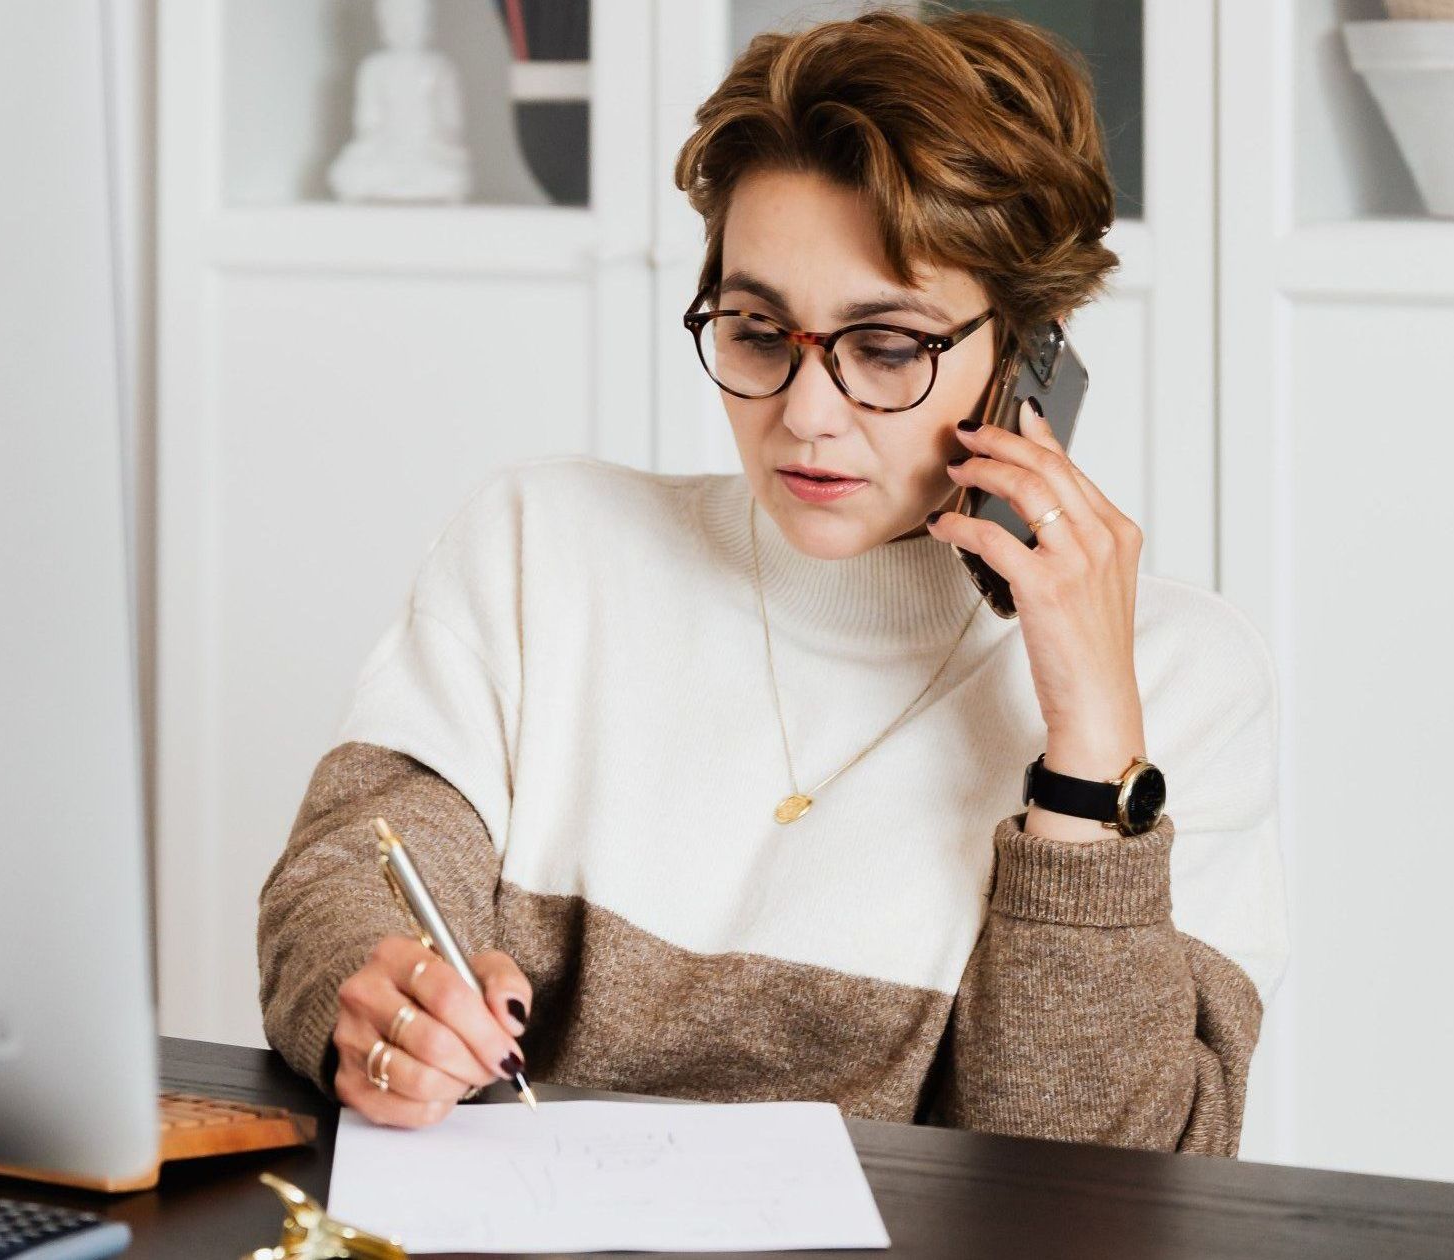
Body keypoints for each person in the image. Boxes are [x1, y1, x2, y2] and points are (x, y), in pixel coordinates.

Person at [257, 5, 1288, 1157]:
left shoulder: (1181, 679)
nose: (803, 417)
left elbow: (1096, 1177)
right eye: (755, 331)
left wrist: (1089, 761)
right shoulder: (540, 546)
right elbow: (344, 888)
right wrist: (380, 996)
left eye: (886, 348)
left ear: (1031, 352)